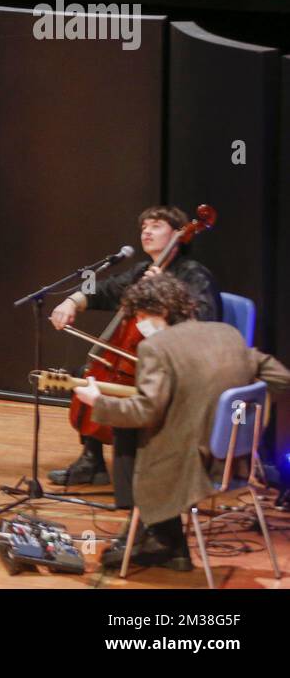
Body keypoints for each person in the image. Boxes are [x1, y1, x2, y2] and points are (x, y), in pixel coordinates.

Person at [72, 274, 289, 571]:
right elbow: (280, 378)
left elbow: (145, 411)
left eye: (140, 316)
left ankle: (152, 535)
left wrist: (97, 401)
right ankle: (168, 544)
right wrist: (250, 415)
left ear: (159, 312)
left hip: (193, 466)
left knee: (127, 433)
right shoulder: (227, 334)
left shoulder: (157, 348)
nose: (138, 324)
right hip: (234, 460)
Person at [47, 205, 219, 492]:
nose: (147, 232)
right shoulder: (141, 271)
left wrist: (163, 292)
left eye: (156, 226)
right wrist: (71, 302)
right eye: (143, 228)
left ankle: (133, 485)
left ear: (179, 234)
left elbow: (203, 320)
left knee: (120, 387)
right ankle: (92, 461)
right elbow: (104, 289)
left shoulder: (194, 274)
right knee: (91, 374)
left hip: (178, 362)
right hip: (144, 360)